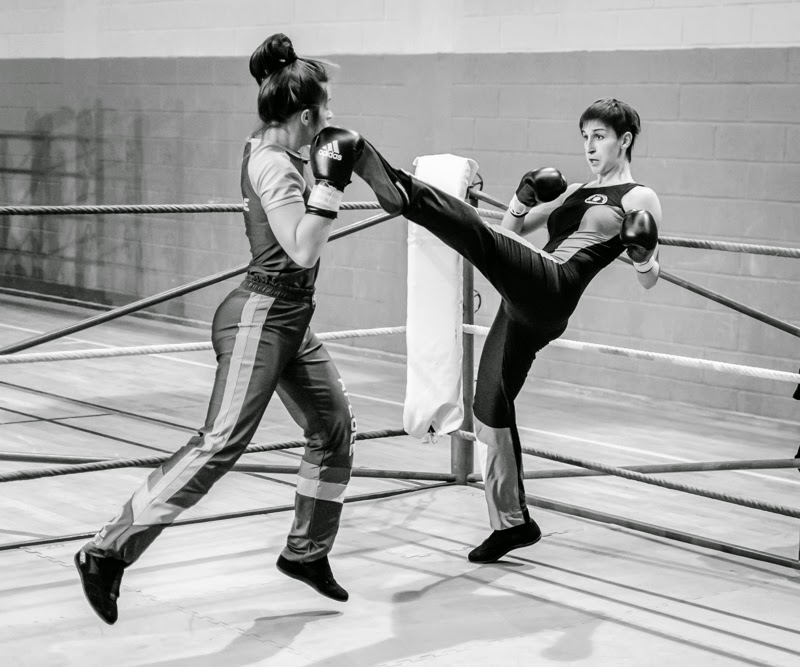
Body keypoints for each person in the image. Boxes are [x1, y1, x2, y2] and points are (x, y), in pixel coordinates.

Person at [75, 34, 365, 625]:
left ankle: (306, 552)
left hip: (290, 320)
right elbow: (303, 250)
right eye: (325, 110)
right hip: (261, 315)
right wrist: (332, 185)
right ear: (307, 115)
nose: (331, 119)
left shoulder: (271, 145)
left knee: (333, 428)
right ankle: (105, 549)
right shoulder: (272, 163)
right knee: (221, 440)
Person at [345, 97, 662, 563]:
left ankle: (401, 189)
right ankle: (513, 523)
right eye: (585, 137)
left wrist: (644, 255)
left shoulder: (639, 197)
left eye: (600, 137)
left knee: (477, 236)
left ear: (625, 140)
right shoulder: (574, 189)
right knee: (488, 406)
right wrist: (523, 197)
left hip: (556, 286)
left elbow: (649, 278)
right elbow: (512, 229)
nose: (590, 147)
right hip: (524, 297)